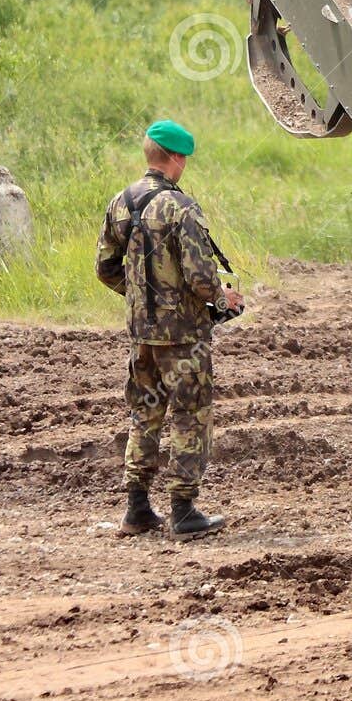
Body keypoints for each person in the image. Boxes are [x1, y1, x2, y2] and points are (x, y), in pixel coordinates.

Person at [95, 120, 242, 539]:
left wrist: (142, 297)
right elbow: (200, 277)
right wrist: (223, 298)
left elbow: (105, 269)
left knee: (144, 415)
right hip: (183, 338)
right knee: (190, 416)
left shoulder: (122, 202)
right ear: (176, 159)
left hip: (142, 334)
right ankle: (182, 510)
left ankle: (137, 509)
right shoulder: (181, 208)